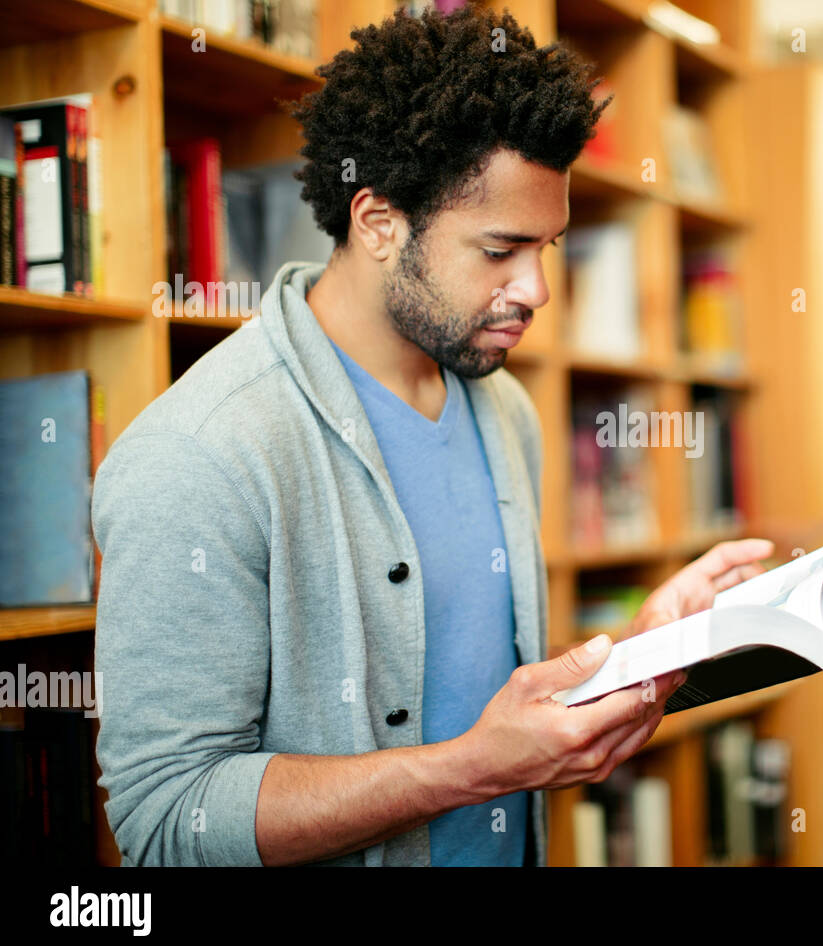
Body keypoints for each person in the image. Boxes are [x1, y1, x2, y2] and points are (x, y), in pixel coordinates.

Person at [90, 3, 772, 867]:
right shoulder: (197, 454)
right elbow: (165, 819)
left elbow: (478, 698)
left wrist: (635, 654)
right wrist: (468, 772)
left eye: (549, 248)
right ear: (379, 224)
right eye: (500, 250)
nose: (537, 290)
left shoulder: (505, 411)